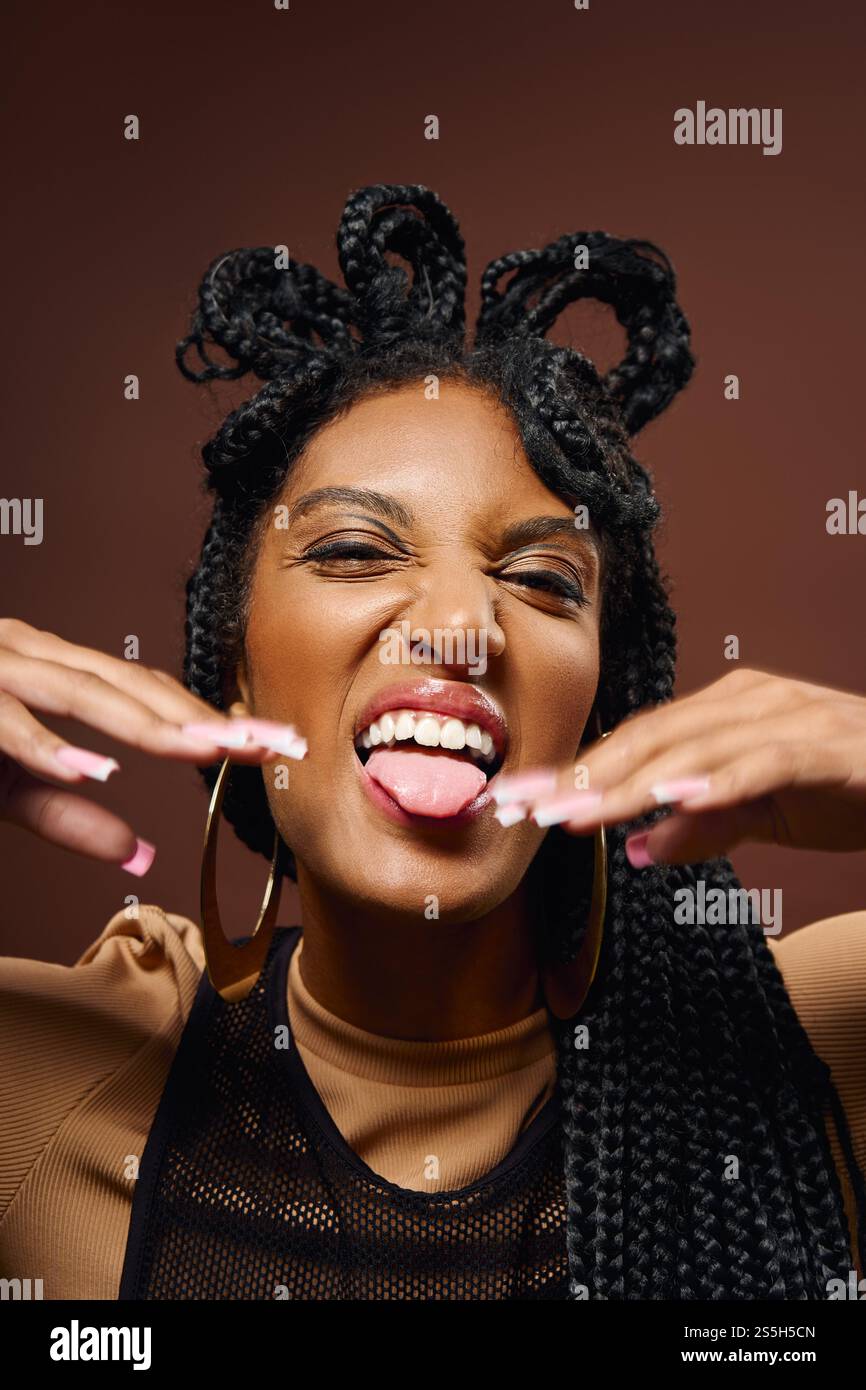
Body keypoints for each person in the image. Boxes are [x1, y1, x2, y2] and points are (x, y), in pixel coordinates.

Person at [1, 183, 864, 1301]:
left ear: (597, 710)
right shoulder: (48, 1083)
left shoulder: (809, 1047)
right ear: (238, 668)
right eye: (357, 550)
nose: (461, 627)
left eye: (541, 579)